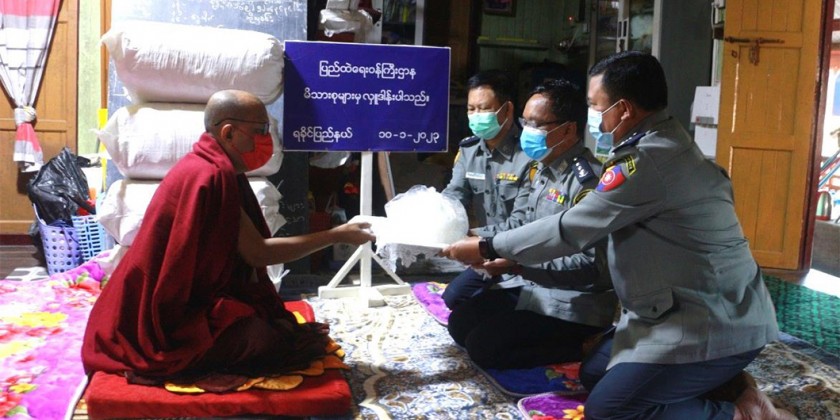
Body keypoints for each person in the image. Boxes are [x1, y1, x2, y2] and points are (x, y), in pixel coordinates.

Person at [443, 52, 793, 420]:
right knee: (595, 372)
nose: (592, 115)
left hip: (709, 320)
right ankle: (732, 386)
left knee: (610, 410)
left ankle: (739, 414)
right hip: (675, 309)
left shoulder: (647, 162)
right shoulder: (663, 143)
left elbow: (571, 229)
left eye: (595, 106)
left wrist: (487, 246)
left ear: (623, 109)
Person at [82, 90, 375, 387]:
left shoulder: (216, 168)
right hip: (160, 321)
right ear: (229, 132)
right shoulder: (208, 175)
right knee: (264, 340)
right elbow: (258, 253)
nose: (267, 141)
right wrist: (336, 235)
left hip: (179, 301)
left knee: (275, 323)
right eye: (260, 131)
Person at [446, 79, 617, 370]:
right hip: (532, 286)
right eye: (526, 122)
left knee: (482, 347)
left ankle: (586, 345)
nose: (527, 132)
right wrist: (480, 244)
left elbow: (590, 266)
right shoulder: (541, 171)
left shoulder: (590, 183)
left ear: (568, 130)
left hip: (573, 301)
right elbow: (521, 224)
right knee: (460, 324)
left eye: (538, 125)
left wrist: (517, 265)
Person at [440, 69, 533, 310]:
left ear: (507, 109)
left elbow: (525, 221)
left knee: (496, 311)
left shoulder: (531, 152)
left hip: (524, 254)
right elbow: (454, 195)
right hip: (486, 250)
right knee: (454, 298)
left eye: (484, 108)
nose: (476, 115)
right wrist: (439, 218)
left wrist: (472, 238)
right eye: (472, 109)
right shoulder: (469, 151)